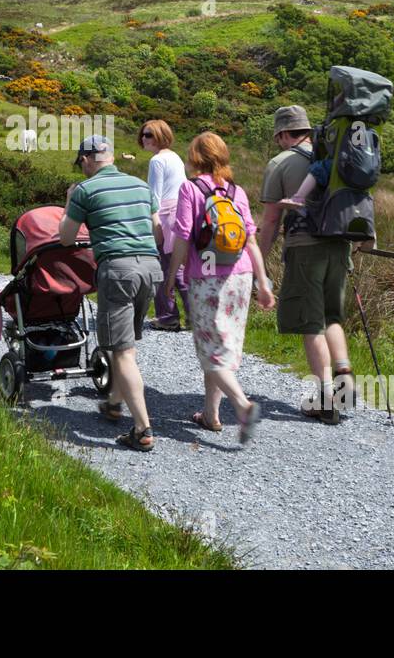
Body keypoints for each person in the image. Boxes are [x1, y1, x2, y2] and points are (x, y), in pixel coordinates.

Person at [165, 132, 274, 444]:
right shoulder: (236, 191)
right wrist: (263, 283)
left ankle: (242, 406)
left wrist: (172, 277)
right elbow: (251, 239)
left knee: (211, 351)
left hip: (207, 278)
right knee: (222, 347)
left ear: (194, 157)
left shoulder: (191, 188)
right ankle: (211, 415)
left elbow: (184, 237)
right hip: (239, 277)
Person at [58, 134, 164, 451]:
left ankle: (142, 430)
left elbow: (64, 238)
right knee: (126, 344)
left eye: (82, 164)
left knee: (122, 351)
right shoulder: (141, 186)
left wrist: (69, 200)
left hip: (117, 270)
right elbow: (158, 231)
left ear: (88, 160)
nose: (83, 169)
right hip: (150, 268)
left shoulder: (85, 190)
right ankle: (115, 402)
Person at [256, 105, 357, 424]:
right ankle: (344, 375)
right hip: (339, 246)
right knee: (332, 315)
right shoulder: (338, 159)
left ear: (284, 134)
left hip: (305, 247)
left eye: (278, 137)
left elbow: (271, 220)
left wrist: (260, 261)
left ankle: (326, 399)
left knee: (310, 322)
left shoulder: (280, 163)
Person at [140, 119, 189, 330]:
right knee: (178, 267)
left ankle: (167, 316)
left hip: (164, 217)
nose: (144, 138)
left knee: (161, 268)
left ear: (161, 135)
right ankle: (195, 315)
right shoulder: (175, 157)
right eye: (143, 134)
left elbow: (154, 197)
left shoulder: (157, 161)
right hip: (179, 215)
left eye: (149, 134)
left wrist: (152, 225)